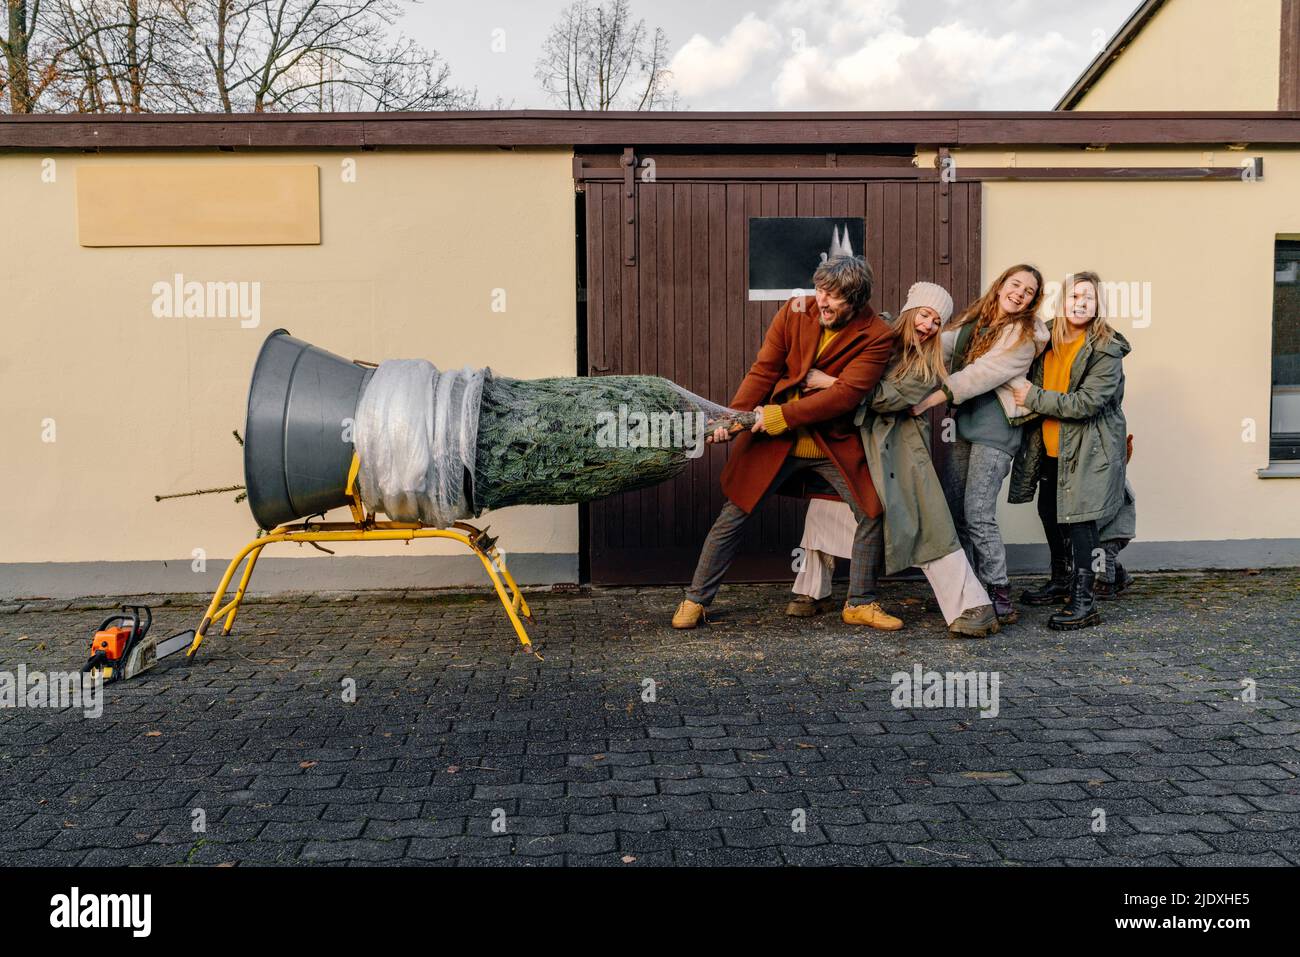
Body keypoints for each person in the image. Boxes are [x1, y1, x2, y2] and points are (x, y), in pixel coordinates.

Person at [671, 254, 901, 631]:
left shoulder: (877, 335)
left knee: (872, 509)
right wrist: (734, 419)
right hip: (777, 443)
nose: (822, 301)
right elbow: (764, 371)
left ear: (856, 300)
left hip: (832, 442)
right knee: (735, 512)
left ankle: (860, 602)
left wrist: (779, 417)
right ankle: (695, 599)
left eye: (835, 295)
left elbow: (844, 396)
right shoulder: (795, 312)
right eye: (821, 290)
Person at [789, 282, 1000, 638]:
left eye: (937, 321)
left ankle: (973, 606)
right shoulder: (877, 333)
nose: (930, 325)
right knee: (828, 508)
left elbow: (886, 398)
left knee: (926, 519)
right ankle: (810, 589)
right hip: (854, 440)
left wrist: (831, 383)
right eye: (925, 314)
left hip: (898, 448)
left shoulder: (926, 366)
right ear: (909, 311)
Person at [910, 265, 1049, 625]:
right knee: (955, 512)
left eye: (1029, 291)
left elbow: (983, 372)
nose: (1020, 293)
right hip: (965, 424)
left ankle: (999, 593)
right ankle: (966, 593)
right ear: (1001, 285)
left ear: (1033, 300)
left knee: (978, 513)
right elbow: (942, 343)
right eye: (1015, 284)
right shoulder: (975, 318)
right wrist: (908, 333)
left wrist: (932, 398)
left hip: (996, 429)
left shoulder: (1026, 335)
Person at [1008, 271, 1132, 630]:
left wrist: (1032, 397)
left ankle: (1086, 599)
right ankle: (1061, 580)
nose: (1080, 303)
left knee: (1081, 522)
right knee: (1050, 511)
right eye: (1074, 296)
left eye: (1088, 298)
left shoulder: (1106, 347)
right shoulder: (1045, 336)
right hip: (1049, 446)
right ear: (1062, 301)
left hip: (1089, 448)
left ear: (1097, 306)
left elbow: (1088, 403)